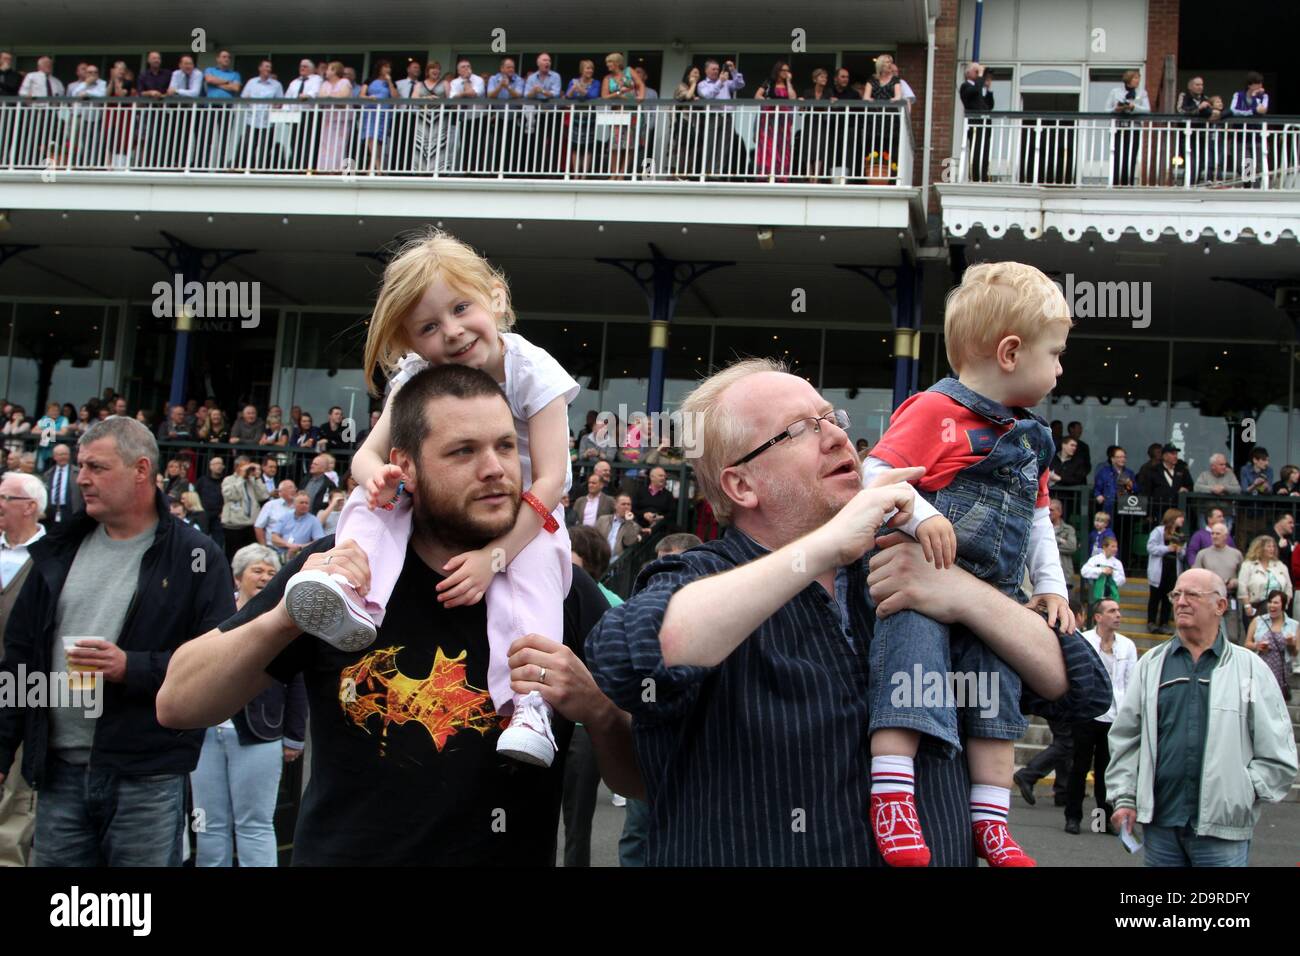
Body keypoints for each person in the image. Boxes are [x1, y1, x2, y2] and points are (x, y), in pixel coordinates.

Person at [587, 357, 1110, 866]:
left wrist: (961, 594)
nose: (838, 437)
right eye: (798, 430)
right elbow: (630, 656)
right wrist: (824, 547)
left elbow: (1083, 688)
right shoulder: (701, 576)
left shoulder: (912, 570)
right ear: (742, 485)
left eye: (831, 418)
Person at [157, 365, 640, 865]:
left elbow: (641, 781)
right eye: (463, 451)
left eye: (503, 446)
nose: (495, 468)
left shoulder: (562, 591)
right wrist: (284, 617)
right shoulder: (342, 571)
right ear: (403, 466)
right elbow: (178, 704)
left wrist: (599, 711)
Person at [282, 232, 581, 771]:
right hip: (442, 500)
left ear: (495, 296)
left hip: (525, 511)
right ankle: (350, 590)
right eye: (429, 327)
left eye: (461, 307)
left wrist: (496, 558)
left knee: (536, 571)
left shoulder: (533, 370)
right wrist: (382, 478)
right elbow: (364, 458)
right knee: (372, 504)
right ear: (411, 344)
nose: (453, 332)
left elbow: (551, 482)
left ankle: (530, 706)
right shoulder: (418, 378)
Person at [860, 262, 1073, 866]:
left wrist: (1052, 588)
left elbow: (1037, 521)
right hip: (919, 577)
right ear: (1011, 351)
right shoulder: (932, 409)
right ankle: (893, 797)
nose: (1060, 368)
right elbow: (878, 474)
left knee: (996, 695)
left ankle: (992, 820)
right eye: (1055, 353)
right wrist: (922, 515)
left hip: (992, 594)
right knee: (908, 662)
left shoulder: (1033, 439)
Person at [0, 418, 233, 866]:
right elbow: (20, 661)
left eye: (97, 467)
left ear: (141, 470)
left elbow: (218, 665)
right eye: (82, 466)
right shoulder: (58, 551)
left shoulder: (195, 557)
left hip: (146, 775)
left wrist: (133, 667)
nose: (82, 477)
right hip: (60, 773)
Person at [1108, 569, 1297, 866]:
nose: (1181, 602)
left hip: (1222, 834)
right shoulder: (1151, 666)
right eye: (1176, 594)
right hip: (1161, 827)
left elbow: (1279, 751)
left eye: (1192, 595)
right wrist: (1125, 797)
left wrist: (1243, 791)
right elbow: (1126, 740)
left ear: (1221, 606)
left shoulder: (1250, 669)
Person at [190, 544, 306, 866]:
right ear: (237, 576)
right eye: (257, 570)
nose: (265, 577)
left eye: (271, 573)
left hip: (260, 735)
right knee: (206, 822)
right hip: (206, 735)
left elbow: (297, 680)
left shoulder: (282, 617)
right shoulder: (212, 613)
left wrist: (294, 734)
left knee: (255, 824)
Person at [559, 524, 618, 867]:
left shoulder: (612, 605)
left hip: (583, 729)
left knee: (577, 824)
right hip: (546, 724)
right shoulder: (543, 593)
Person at [0, 472, 47, 865]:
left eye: (4, 497)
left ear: (29, 506)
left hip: (24, 686)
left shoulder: (53, 556)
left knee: (17, 791)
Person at [1063, 598, 1135, 834]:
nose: (1118, 615)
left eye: (1119, 610)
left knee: (1106, 770)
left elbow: (1129, 682)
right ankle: (1072, 817)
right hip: (1087, 712)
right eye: (1112, 611)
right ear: (1098, 617)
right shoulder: (1084, 640)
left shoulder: (1127, 646)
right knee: (1079, 766)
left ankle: (1102, 819)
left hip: (1114, 715)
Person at [1192, 523, 1244, 643]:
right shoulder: (1202, 554)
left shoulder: (1236, 554)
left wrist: (1235, 582)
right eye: (1212, 533)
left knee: (1233, 636)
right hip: (1208, 599)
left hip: (1229, 598)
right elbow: (1196, 575)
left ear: (1226, 536)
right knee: (1208, 634)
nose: (1214, 536)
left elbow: (1243, 576)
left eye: (1218, 533)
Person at [1244, 589, 1296, 702]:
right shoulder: (1258, 621)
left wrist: (1291, 644)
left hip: (1281, 670)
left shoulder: (1294, 625)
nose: (1272, 605)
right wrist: (1256, 646)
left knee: (1278, 702)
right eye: (1270, 602)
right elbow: (1247, 643)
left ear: (1283, 605)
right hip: (1260, 667)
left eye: (1276, 602)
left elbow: (1295, 653)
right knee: (1261, 701)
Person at [753, 61, 798, 182]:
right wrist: (769, 102)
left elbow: (793, 98)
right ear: (778, 71)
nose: (786, 73)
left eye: (788, 70)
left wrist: (788, 82)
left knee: (782, 145)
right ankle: (764, 174)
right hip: (769, 118)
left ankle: (781, 175)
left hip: (783, 120)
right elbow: (757, 96)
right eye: (784, 70)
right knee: (767, 145)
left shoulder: (788, 85)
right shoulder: (769, 82)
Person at [221, 455, 269, 562]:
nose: (248, 469)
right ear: (237, 467)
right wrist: (241, 478)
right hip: (234, 526)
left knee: (250, 558)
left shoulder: (252, 481)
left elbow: (264, 496)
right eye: (245, 466)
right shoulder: (229, 480)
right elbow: (231, 495)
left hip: (251, 526)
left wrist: (257, 478)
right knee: (233, 558)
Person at [1105, 70, 1150, 186]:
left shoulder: (1142, 93)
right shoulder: (1115, 92)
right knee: (1116, 155)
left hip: (1133, 128)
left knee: (1130, 156)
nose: (1138, 80)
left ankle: (1127, 183)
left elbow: (1147, 110)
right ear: (1128, 79)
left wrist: (1133, 106)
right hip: (1117, 128)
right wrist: (1116, 109)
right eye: (1135, 78)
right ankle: (1114, 182)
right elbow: (1106, 110)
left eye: (1138, 78)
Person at [1146, 508, 1185, 635]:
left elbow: (1184, 553)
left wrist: (1180, 551)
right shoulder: (1158, 531)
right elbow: (1151, 547)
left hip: (1173, 568)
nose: (1183, 520)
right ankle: (1151, 622)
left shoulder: (1180, 534)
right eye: (1180, 517)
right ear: (1173, 518)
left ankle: (1164, 623)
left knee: (1168, 597)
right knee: (1155, 596)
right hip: (1160, 568)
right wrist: (1167, 548)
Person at [1237, 535, 1292, 623]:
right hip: (1256, 608)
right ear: (1260, 548)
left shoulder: (1280, 565)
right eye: (1269, 546)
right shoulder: (1248, 565)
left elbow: (1288, 587)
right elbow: (1242, 587)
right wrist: (1247, 606)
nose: (1272, 549)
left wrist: (1285, 604)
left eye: (1273, 546)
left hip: (1277, 609)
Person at [316, 62, 354, 173]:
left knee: (339, 145)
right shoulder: (325, 84)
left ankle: (336, 170)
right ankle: (324, 170)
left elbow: (343, 97)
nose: (326, 72)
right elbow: (320, 96)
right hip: (328, 119)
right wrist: (333, 98)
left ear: (335, 71)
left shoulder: (344, 82)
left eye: (328, 69)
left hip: (342, 120)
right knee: (325, 145)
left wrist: (329, 97)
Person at [958, 62, 994, 182]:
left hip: (984, 125)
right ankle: (975, 176)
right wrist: (981, 74)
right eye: (976, 71)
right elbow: (974, 91)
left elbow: (989, 106)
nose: (979, 74)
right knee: (976, 150)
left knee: (985, 151)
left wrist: (989, 89)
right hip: (974, 124)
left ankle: (983, 176)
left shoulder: (977, 89)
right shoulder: (965, 86)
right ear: (968, 73)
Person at [1080, 535, 1126, 622]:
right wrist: (1101, 570)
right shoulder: (1095, 559)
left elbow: (1122, 580)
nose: (1115, 549)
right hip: (1096, 596)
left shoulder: (1117, 563)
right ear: (1104, 547)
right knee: (1095, 618)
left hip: (1111, 596)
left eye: (1116, 546)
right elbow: (1084, 571)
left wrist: (1113, 574)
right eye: (1112, 546)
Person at [1137, 443, 1192, 510]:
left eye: (1176, 454)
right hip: (1158, 510)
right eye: (1172, 454)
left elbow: (1190, 485)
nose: (1175, 456)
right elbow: (1147, 492)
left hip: (1178, 510)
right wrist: (1149, 513)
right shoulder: (1154, 471)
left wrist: (1186, 489)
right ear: (1165, 456)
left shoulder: (1182, 470)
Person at [269, 493, 325, 560]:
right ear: (294, 504)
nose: (304, 505)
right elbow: (274, 537)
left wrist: (300, 547)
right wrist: (288, 545)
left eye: (306, 503)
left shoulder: (314, 520)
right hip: (280, 552)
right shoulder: (286, 516)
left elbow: (319, 541)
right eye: (301, 503)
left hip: (300, 554)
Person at [42, 442, 83, 526]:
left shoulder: (78, 472)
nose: (63, 457)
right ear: (54, 456)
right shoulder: (48, 474)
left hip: (70, 510)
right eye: (60, 455)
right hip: (52, 512)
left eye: (65, 454)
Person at [596, 493, 643, 558]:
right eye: (623, 504)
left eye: (628, 504)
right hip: (598, 556)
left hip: (616, 561)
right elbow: (593, 539)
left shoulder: (634, 526)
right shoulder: (602, 519)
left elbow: (629, 542)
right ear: (615, 505)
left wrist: (629, 522)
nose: (626, 507)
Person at [255, 480, 297, 547]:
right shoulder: (270, 505)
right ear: (280, 492)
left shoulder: (299, 506)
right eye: (289, 488)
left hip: (295, 548)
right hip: (273, 548)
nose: (293, 490)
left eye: (294, 488)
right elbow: (258, 526)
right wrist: (263, 547)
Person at [1050, 498, 1077, 594]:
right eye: (1047, 510)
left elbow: (1072, 547)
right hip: (1047, 575)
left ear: (1059, 512)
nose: (1049, 512)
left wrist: (1050, 545)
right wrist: (1059, 540)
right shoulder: (1043, 528)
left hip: (1064, 575)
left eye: (1051, 510)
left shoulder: (1068, 529)